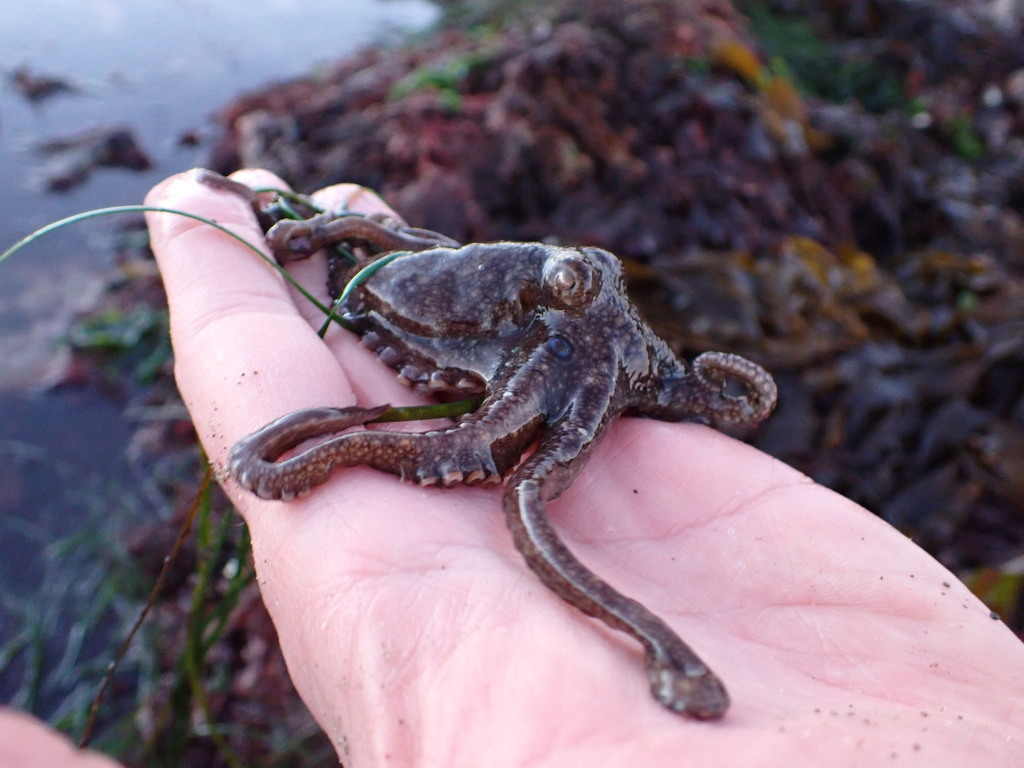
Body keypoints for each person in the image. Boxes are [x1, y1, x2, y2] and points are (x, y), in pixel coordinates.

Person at [3, 169, 1022, 767]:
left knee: (542, 417)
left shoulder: (577, 331)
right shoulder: (420, 271)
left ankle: (667, 655)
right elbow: (390, 242)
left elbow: (512, 416)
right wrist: (329, 247)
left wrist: (345, 437)